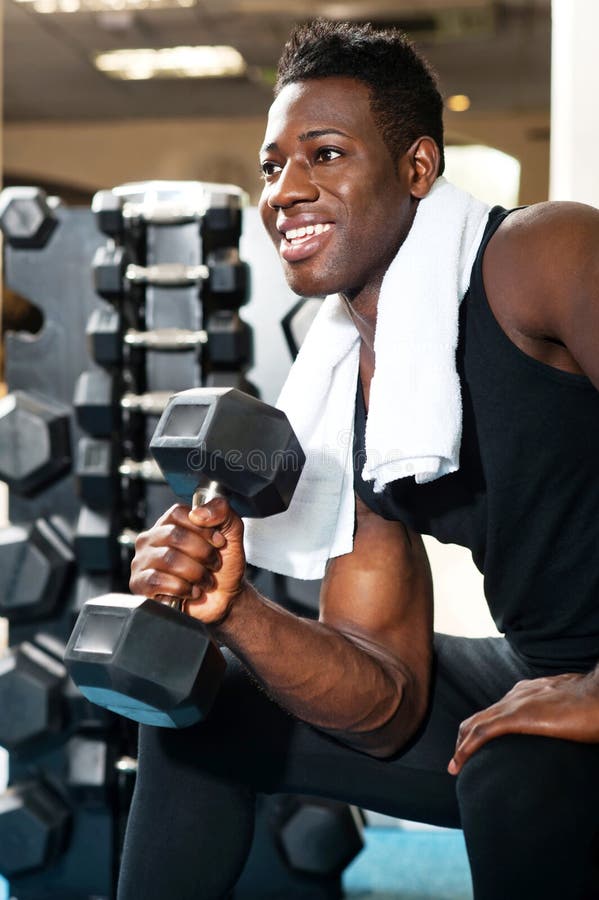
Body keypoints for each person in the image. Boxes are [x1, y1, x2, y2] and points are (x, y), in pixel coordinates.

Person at [117, 20, 599, 900]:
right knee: (201, 706)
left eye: (325, 154)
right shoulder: (352, 389)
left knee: (516, 773)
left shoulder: (544, 255)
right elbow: (385, 708)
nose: (285, 191)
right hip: (546, 668)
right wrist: (235, 610)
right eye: (271, 167)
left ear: (417, 168)